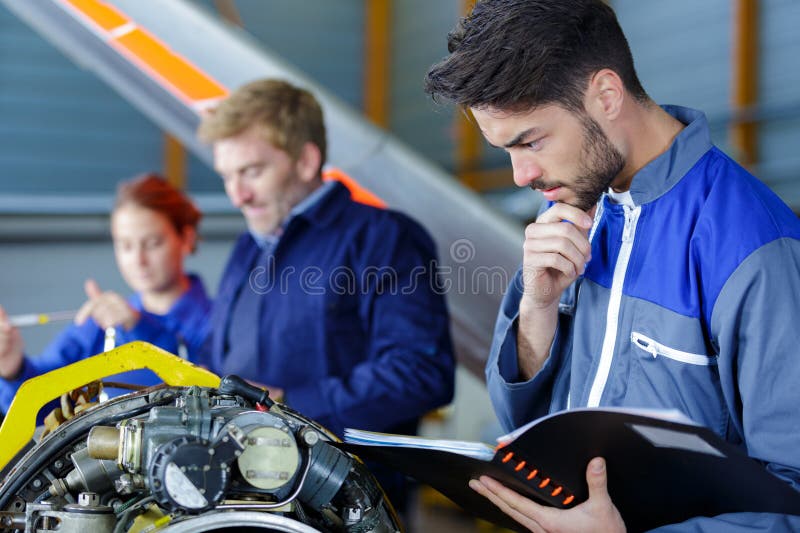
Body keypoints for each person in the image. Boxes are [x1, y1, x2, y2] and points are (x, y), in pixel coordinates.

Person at [425, 1, 800, 531]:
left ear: (605, 94)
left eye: (530, 141)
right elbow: (521, 428)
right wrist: (537, 309)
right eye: (505, 150)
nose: (520, 174)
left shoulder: (756, 247)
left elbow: (793, 495)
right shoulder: (571, 206)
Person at [196, 78, 455, 516]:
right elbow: (215, 358)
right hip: (245, 496)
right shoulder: (249, 247)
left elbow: (421, 372)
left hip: (344, 504)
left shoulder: (383, 239)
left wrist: (291, 407)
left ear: (305, 160)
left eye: (252, 172)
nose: (237, 195)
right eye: (227, 176)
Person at [0, 174, 212, 413]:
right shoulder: (102, 324)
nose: (138, 260)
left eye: (152, 243)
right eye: (125, 245)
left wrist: (140, 330)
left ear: (186, 238)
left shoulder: (219, 322)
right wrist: (12, 367)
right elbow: (41, 404)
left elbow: (210, 387)